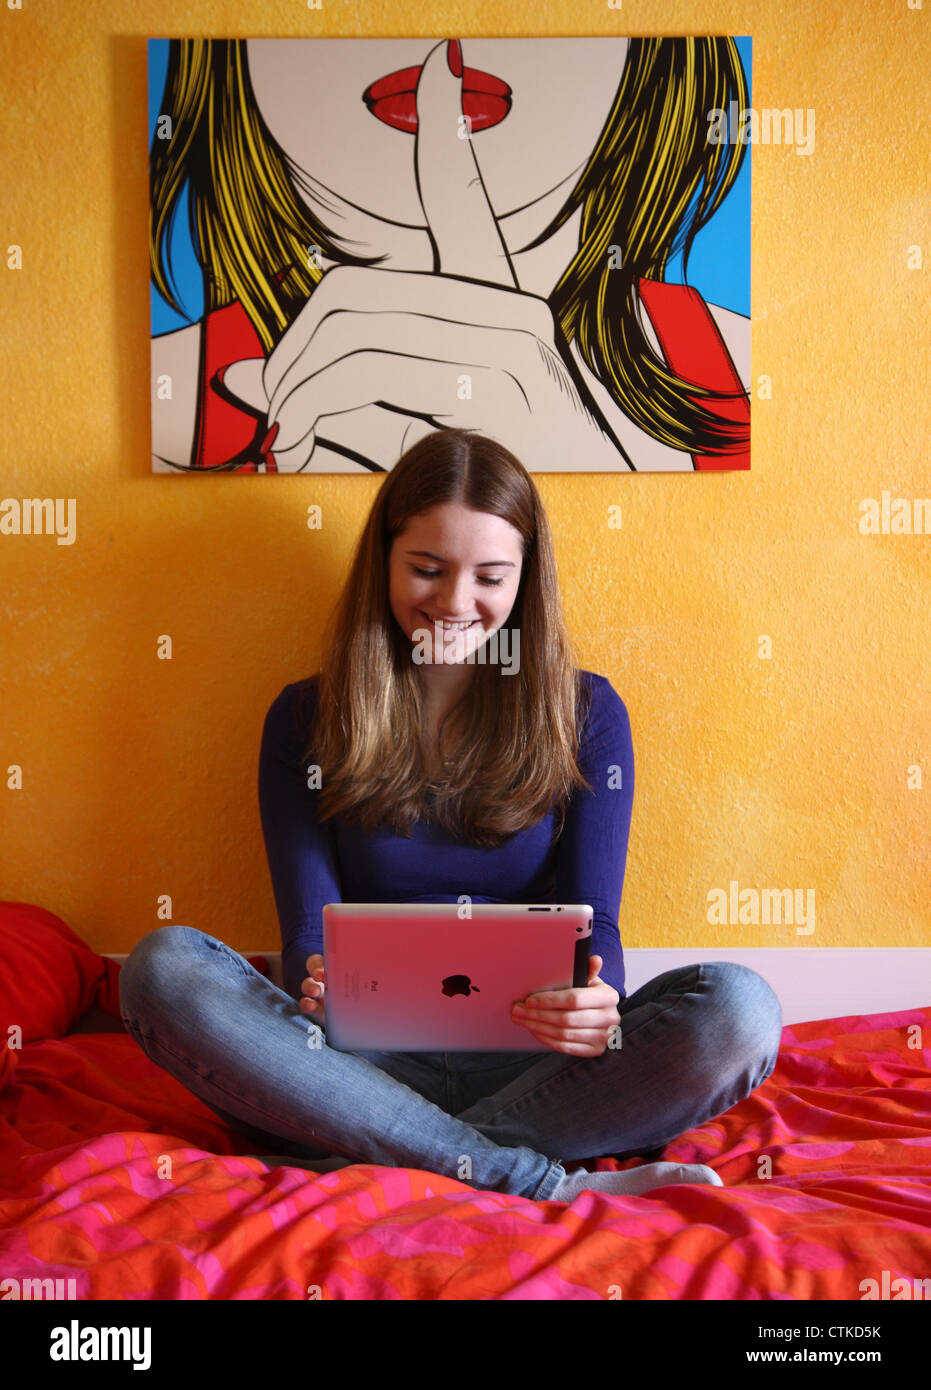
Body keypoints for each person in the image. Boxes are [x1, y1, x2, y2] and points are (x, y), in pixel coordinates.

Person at [119, 428, 782, 1202]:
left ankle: (381, 1151)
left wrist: (596, 1008)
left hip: (537, 1067)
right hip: (354, 1063)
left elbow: (597, 924)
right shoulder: (304, 716)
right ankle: (537, 1182)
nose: (455, 603)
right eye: (427, 569)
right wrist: (316, 986)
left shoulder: (586, 711)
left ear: (525, 580)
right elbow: (306, 927)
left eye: (490, 577)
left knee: (740, 1009)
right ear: (384, 565)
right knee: (162, 969)